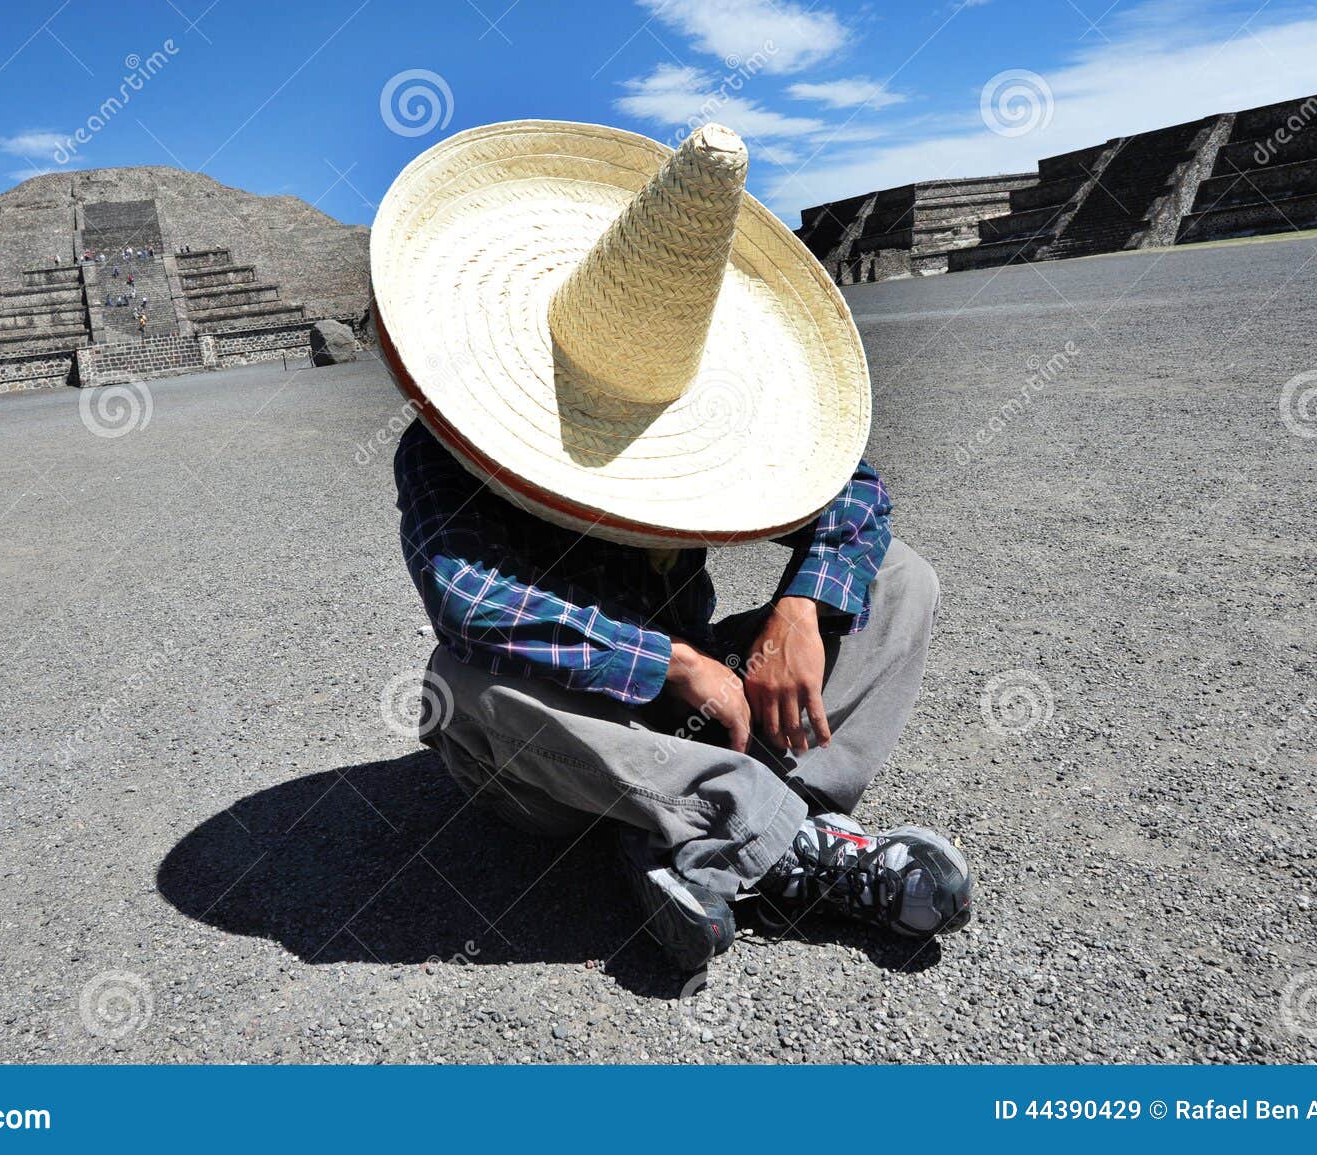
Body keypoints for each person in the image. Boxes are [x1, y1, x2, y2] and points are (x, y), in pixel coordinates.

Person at [380, 121, 973, 972]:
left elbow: (856, 492)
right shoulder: (443, 447)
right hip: (573, 744)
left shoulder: (702, 393)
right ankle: (773, 835)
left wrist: (801, 607)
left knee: (900, 577)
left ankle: (692, 831)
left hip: (699, 720)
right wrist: (677, 666)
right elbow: (469, 599)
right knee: (461, 681)